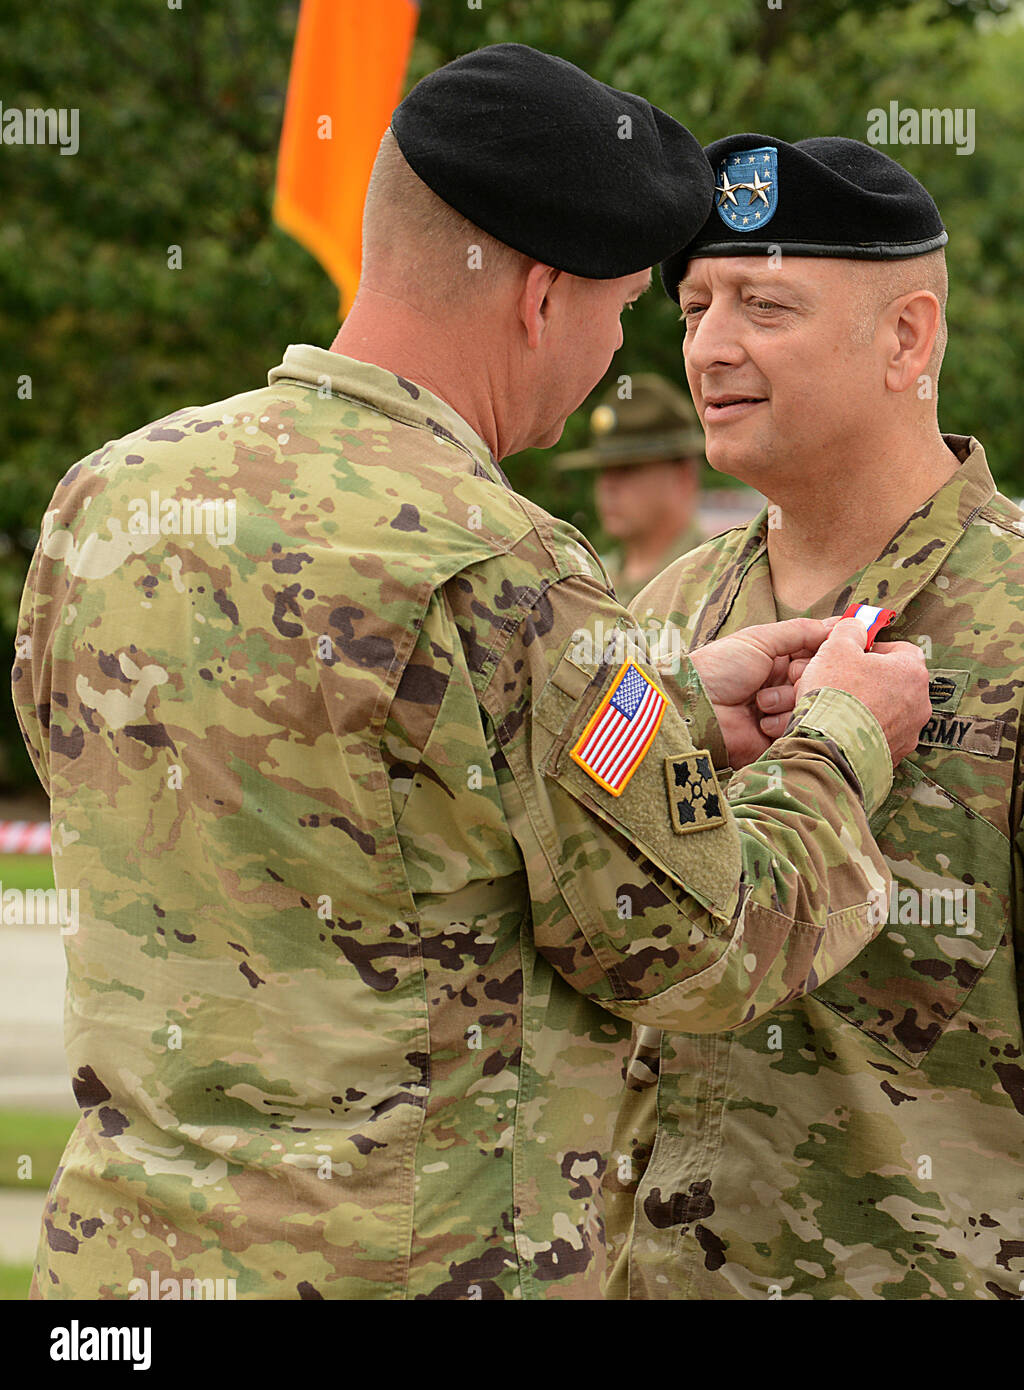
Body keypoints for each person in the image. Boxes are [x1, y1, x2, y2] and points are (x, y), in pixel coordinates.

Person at [12, 57, 931, 1300]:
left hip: (123, 1278)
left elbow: (325, 780)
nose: (617, 359)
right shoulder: (507, 567)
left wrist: (651, 699)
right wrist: (842, 738)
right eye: (619, 316)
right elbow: (701, 945)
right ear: (542, 297)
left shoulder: (110, 495)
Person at [607, 133, 1024, 1301]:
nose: (708, 346)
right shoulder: (665, 616)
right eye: (695, 306)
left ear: (906, 336)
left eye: (763, 304)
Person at [558, 374, 707, 603]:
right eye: (604, 470)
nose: (608, 485)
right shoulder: (589, 582)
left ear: (683, 476)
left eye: (628, 468)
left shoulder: (718, 580)